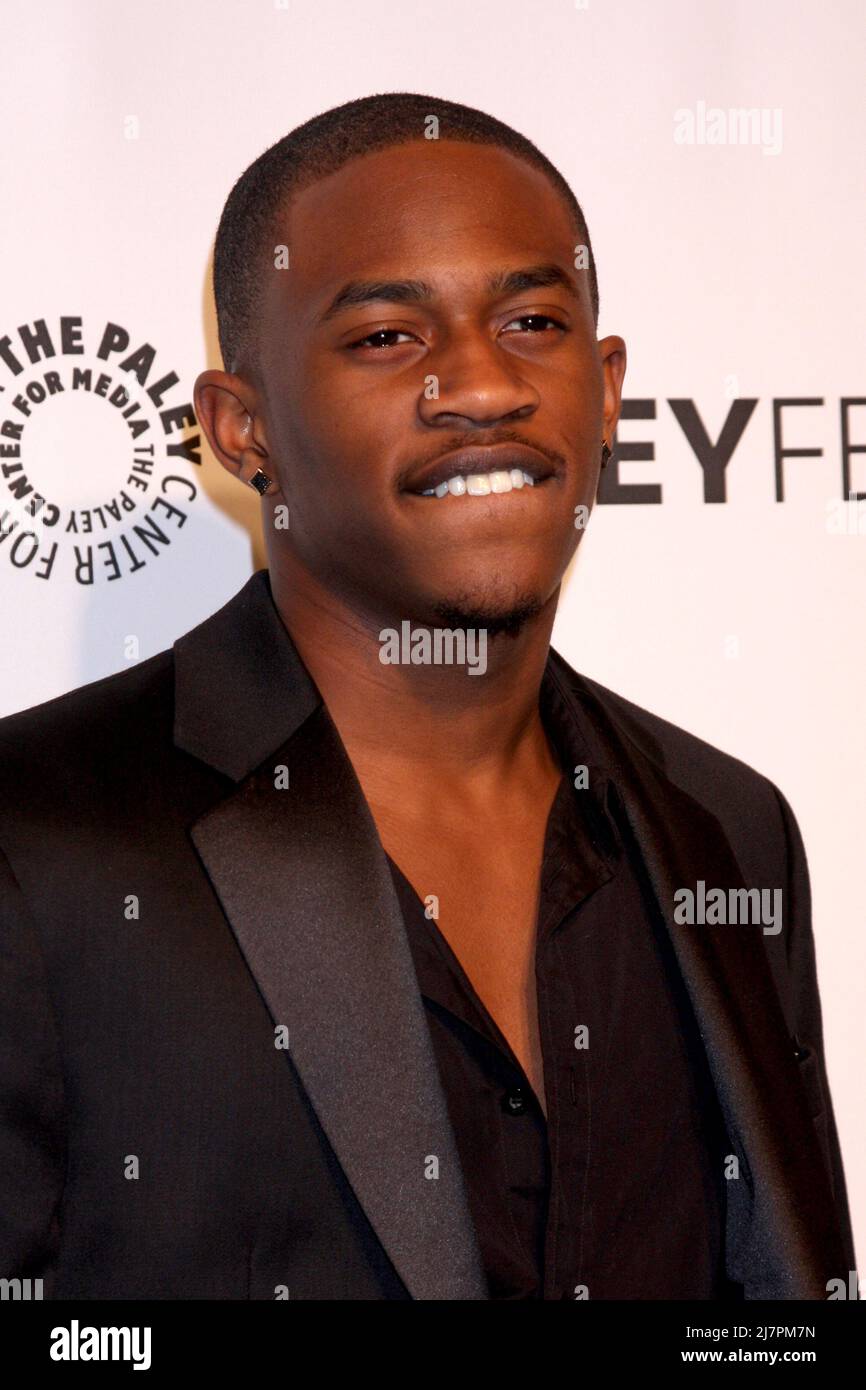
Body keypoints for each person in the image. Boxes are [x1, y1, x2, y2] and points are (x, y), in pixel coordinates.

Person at [0, 92, 855, 1300]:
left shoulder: (727, 825)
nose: (481, 383)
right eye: (386, 337)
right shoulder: (39, 840)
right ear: (241, 430)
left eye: (531, 320)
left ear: (606, 389)